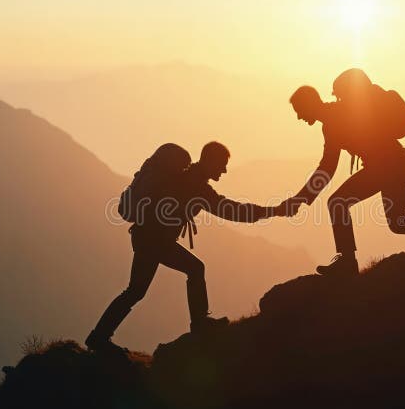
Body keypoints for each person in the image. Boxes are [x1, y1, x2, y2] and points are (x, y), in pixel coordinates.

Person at [282, 69, 405, 277]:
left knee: (338, 202)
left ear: (309, 104)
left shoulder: (334, 119)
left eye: (299, 110)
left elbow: (327, 167)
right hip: (394, 163)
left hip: (387, 166)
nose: (299, 117)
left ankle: (348, 263)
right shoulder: (333, 118)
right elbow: (328, 166)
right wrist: (302, 198)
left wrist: (301, 198)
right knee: (398, 222)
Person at [86, 141, 275, 353]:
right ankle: (199, 324)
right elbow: (231, 210)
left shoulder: (189, 180)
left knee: (137, 290)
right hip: (154, 241)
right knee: (191, 270)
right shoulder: (195, 185)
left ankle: (99, 337)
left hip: (148, 238)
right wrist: (272, 211)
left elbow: (229, 209)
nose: (224, 169)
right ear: (209, 160)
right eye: (221, 164)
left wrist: (269, 211)